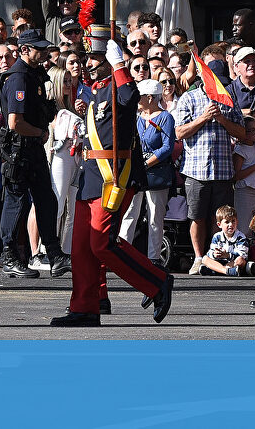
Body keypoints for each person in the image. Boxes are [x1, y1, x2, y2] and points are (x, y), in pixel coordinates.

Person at [51, 25, 174, 327]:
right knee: (81, 249)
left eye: (94, 57)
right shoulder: (94, 90)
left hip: (114, 176)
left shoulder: (119, 85)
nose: (87, 63)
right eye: (87, 56)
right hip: (90, 175)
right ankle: (85, 307)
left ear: (107, 58)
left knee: (101, 244)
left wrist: (121, 63)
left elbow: (131, 97)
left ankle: (157, 282)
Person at [0, 29, 71, 278]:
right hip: (19, 150)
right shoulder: (18, 77)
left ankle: (53, 252)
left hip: (33, 149)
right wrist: (39, 132)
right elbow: (15, 122)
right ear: (25, 50)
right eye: (38, 49)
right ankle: (8, 255)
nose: (43, 53)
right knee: (15, 202)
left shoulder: (34, 75)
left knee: (46, 200)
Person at [173, 55, 246, 275]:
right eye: (214, 80)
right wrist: (203, 118)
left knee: (222, 218)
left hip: (223, 170)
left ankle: (218, 258)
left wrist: (223, 121)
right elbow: (179, 132)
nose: (218, 85)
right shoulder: (189, 98)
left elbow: (242, 133)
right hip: (196, 170)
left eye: (221, 81)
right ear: (205, 79)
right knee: (197, 217)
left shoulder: (228, 100)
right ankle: (198, 257)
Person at [118, 79, 176, 265]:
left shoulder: (166, 117)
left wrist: (146, 163)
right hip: (136, 171)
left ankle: (153, 258)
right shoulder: (135, 117)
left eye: (140, 96)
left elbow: (167, 147)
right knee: (129, 213)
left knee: (155, 216)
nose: (137, 99)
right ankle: (122, 254)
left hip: (155, 173)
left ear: (150, 97)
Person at [47, 66, 85, 255]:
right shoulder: (50, 107)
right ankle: (50, 251)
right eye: (65, 81)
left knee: (73, 208)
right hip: (59, 156)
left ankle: (67, 251)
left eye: (70, 80)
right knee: (58, 203)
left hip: (75, 156)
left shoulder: (70, 107)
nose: (69, 84)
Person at [232, 116, 255, 236]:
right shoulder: (240, 150)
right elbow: (237, 175)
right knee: (244, 226)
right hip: (245, 191)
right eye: (252, 130)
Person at [201, 205, 253, 276]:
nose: (231, 225)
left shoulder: (241, 237)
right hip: (220, 262)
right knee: (204, 259)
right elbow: (211, 252)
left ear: (237, 222)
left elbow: (243, 255)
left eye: (233, 221)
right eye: (227, 222)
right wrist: (214, 254)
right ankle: (226, 271)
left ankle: (216, 270)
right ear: (219, 225)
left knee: (240, 260)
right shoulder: (217, 236)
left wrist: (227, 255)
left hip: (233, 262)